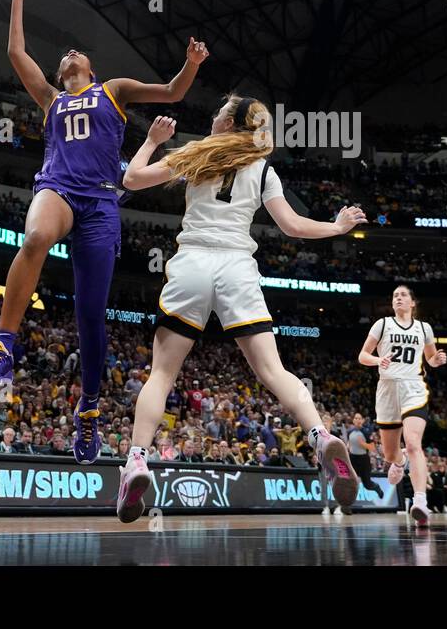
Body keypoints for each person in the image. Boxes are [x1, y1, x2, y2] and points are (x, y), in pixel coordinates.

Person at [0, 0, 210, 467]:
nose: (72, 52)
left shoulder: (114, 90)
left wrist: (191, 64)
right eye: (66, 55)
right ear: (62, 74)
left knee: (90, 318)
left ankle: (89, 408)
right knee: (35, 236)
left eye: (78, 52)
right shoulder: (51, 99)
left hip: (101, 202)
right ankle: (2, 347)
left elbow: (172, 93)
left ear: (91, 71)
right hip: (58, 186)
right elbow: (16, 53)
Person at [114, 99, 365, 522]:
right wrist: (338, 227)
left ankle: (137, 459)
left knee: (162, 373)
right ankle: (320, 436)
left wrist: (153, 141)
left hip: (192, 261)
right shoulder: (263, 168)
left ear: (227, 122)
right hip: (236, 267)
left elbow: (132, 179)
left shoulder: (196, 152)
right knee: (272, 371)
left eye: (218, 112)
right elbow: (294, 227)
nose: (212, 116)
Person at [359, 284, 447, 527]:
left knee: (412, 443)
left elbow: (430, 358)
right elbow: (362, 355)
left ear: (412, 303)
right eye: (395, 295)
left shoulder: (423, 328)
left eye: (403, 295)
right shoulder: (382, 324)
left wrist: (437, 360)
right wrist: (379, 359)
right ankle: (399, 463)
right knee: (390, 453)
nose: (398, 298)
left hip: (413, 388)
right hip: (387, 390)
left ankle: (420, 501)